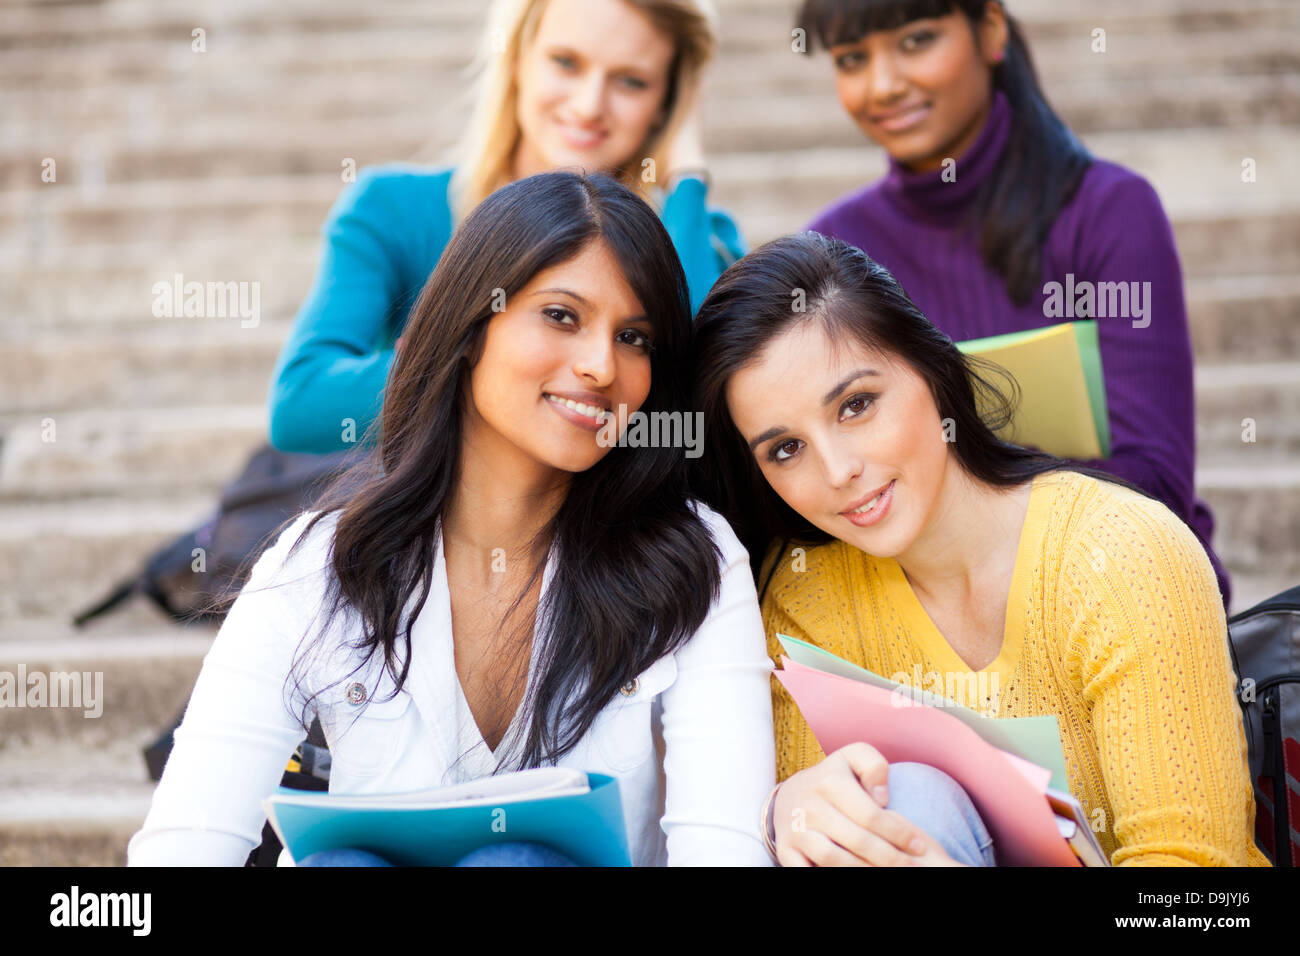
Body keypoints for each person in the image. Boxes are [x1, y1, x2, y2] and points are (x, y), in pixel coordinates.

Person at [127, 172, 775, 867]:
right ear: (470, 327)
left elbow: (725, 852)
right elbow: (185, 846)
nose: (599, 366)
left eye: (635, 338)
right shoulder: (322, 561)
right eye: (561, 315)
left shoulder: (695, 561)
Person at [691, 230, 1269, 867]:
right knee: (892, 804)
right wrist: (785, 811)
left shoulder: (1122, 555)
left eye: (856, 405)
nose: (836, 471)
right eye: (785, 449)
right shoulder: (803, 605)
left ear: (933, 372)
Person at [793, 0, 1231, 608]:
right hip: (933, 611)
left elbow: (1155, 484)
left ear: (990, 28)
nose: (884, 84)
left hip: (1117, 592)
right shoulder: (834, 250)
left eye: (917, 40)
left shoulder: (1110, 212)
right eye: (851, 59)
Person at [268, 0, 743, 455]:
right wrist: (498, 362)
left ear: (667, 103)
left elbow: (699, 412)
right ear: (517, 59)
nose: (589, 105)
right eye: (565, 62)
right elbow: (302, 404)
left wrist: (687, 179)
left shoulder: (701, 235)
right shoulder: (396, 208)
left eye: (632, 81)